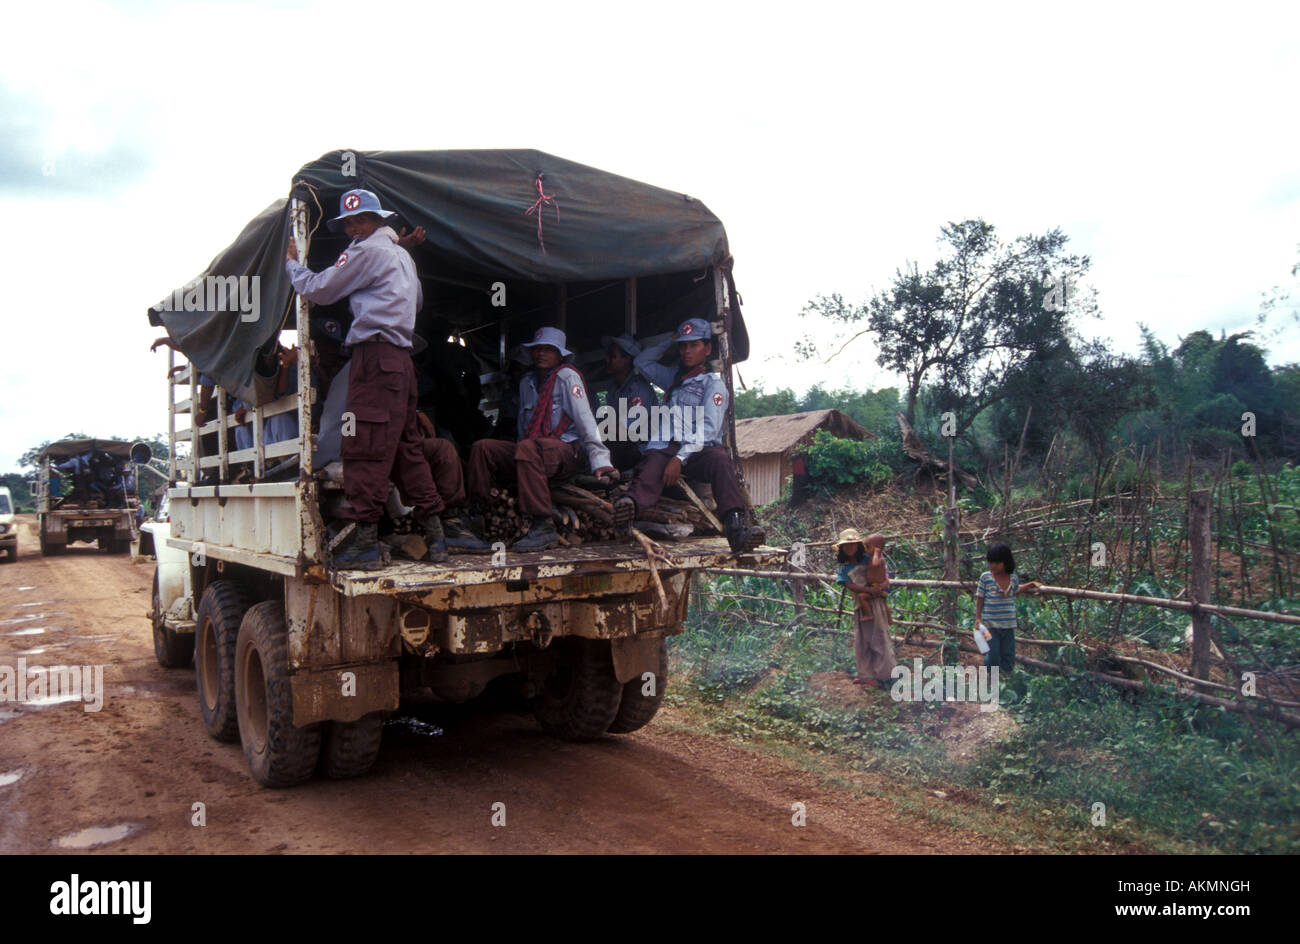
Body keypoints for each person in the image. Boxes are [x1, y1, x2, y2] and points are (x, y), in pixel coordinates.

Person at [285, 188, 448, 566]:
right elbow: (417, 302)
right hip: (401, 360)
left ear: (377, 221)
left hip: (374, 358)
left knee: (364, 444)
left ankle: (363, 541)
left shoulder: (365, 251)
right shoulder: (402, 256)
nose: (352, 229)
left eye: (360, 221)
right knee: (407, 448)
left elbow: (320, 289)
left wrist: (293, 266)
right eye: (348, 223)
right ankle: (437, 536)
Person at [613, 318, 764, 553]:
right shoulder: (673, 378)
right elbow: (642, 362)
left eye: (694, 345)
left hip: (697, 451)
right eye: (683, 346)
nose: (686, 351)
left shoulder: (712, 384)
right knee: (652, 459)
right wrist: (669, 340)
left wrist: (680, 458)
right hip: (667, 446)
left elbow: (709, 428)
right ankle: (628, 509)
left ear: (708, 348)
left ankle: (737, 531)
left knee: (720, 459)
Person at [466, 327, 615, 551]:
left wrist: (600, 458)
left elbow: (585, 419)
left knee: (528, 448)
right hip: (532, 449)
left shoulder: (567, 376)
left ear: (559, 354)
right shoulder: (527, 382)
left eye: (548, 350)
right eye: (537, 349)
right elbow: (523, 428)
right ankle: (479, 512)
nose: (541, 354)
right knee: (483, 448)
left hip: (564, 451)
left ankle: (542, 525)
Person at [836, 529, 896, 689]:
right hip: (861, 604)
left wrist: (884, 585)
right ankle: (866, 675)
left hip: (876, 603)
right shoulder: (843, 566)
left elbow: (884, 574)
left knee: (880, 637)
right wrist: (868, 591)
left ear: (858, 545)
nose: (849, 548)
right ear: (841, 549)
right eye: (845, 546)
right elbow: (849, 585)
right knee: (863, 640)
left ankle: (884, 675)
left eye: (852, 545)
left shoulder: (868, 558)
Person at [974, 542, 1042, 675]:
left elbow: (1016, 590)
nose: (992, 566)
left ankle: (1005, 678)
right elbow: (980, 597)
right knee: (993, 655)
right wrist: (977, 617)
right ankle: (992, 676)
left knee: (1008, 654)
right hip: (990, 625)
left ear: (1005, 562)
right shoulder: (985, 578)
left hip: (1008, 625)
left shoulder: (1013, 578)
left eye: (996, 563)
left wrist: (1031, 584)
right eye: (991, 562)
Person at [596, 333, 658, 473]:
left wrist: (595, 427)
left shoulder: (639, 389)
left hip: (640, 450)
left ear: (627, 360)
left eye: (612, 356)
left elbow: (627, 431)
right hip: (622, 445)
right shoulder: (614, 388)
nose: (606, 359)